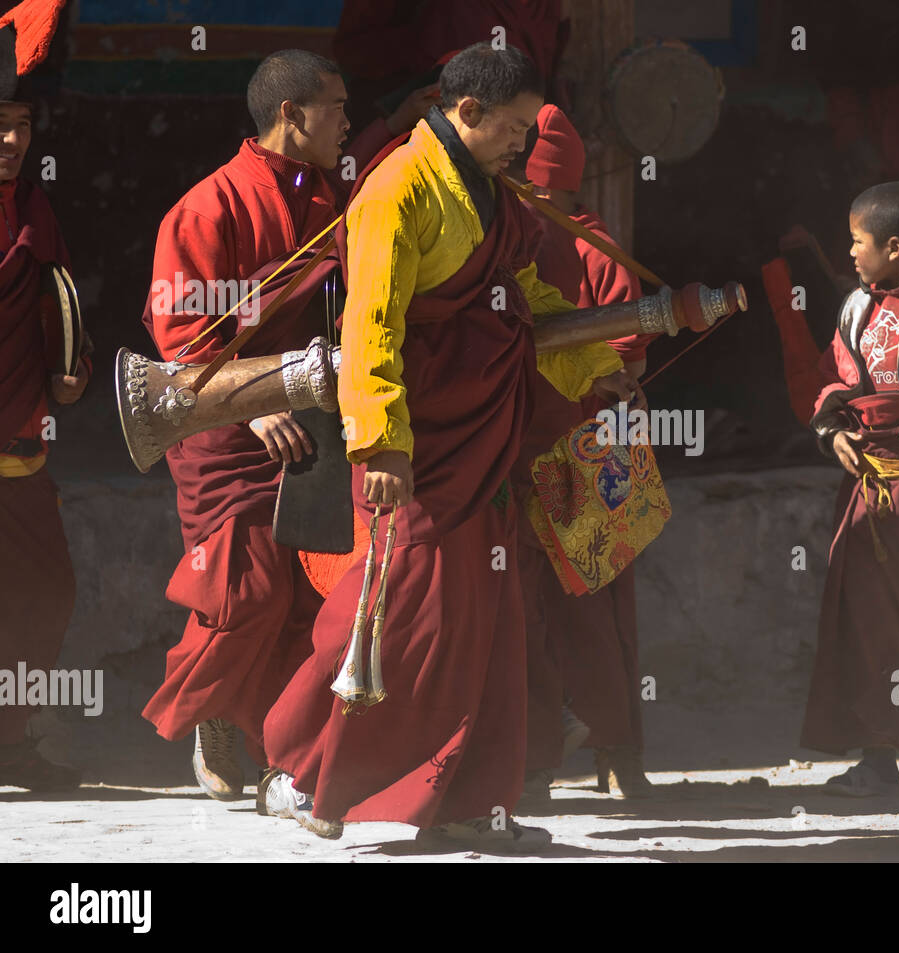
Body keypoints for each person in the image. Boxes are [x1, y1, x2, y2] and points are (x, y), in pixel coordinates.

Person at [262, 43, 630, 849]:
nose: (522, 146)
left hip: (482, 441)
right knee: (402, 621)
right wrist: (382, 443)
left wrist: (594, 366)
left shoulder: (492, 193)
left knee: (486, 630)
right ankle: (307, 770)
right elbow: (371, 325)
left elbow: (526, 295)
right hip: (419, 449)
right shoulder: (397, 187)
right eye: (512, 128)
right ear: (465, 113)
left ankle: (472, 802)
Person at [141, 49, 431, 806]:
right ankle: (208, 710)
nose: (344, 120)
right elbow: (180, 335)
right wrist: (254, 402)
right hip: (224, 423)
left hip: (310, 419)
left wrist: (403, 123)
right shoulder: (209, 208)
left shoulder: (326, 191)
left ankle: (282, 742)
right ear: (290, 115)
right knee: (248, 590)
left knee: (310, 595)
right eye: (335, 107)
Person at [803, 182, 899, 796]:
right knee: (869, 620)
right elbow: (833, 379)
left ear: (894, 247)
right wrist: (832, 428)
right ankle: (877, 757)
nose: (850, 252)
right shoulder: (856, 307)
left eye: (857, 241)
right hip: (870, 486)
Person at [516, 104, 653, 800]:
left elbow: (622, 351)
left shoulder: (521, 239)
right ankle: (612, 753)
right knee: (595, 609)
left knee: (545, 608)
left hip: (565, 447)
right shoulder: (603, 246)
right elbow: (630, 345)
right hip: (590, 448)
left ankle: (549, 760)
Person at [0, 19, 90, 790]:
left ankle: (10, 737)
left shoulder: (34, 209)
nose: (10, 142)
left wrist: (72, 373)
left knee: (42, 591)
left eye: (21, 127)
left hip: (20, 446)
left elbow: (59, 309)